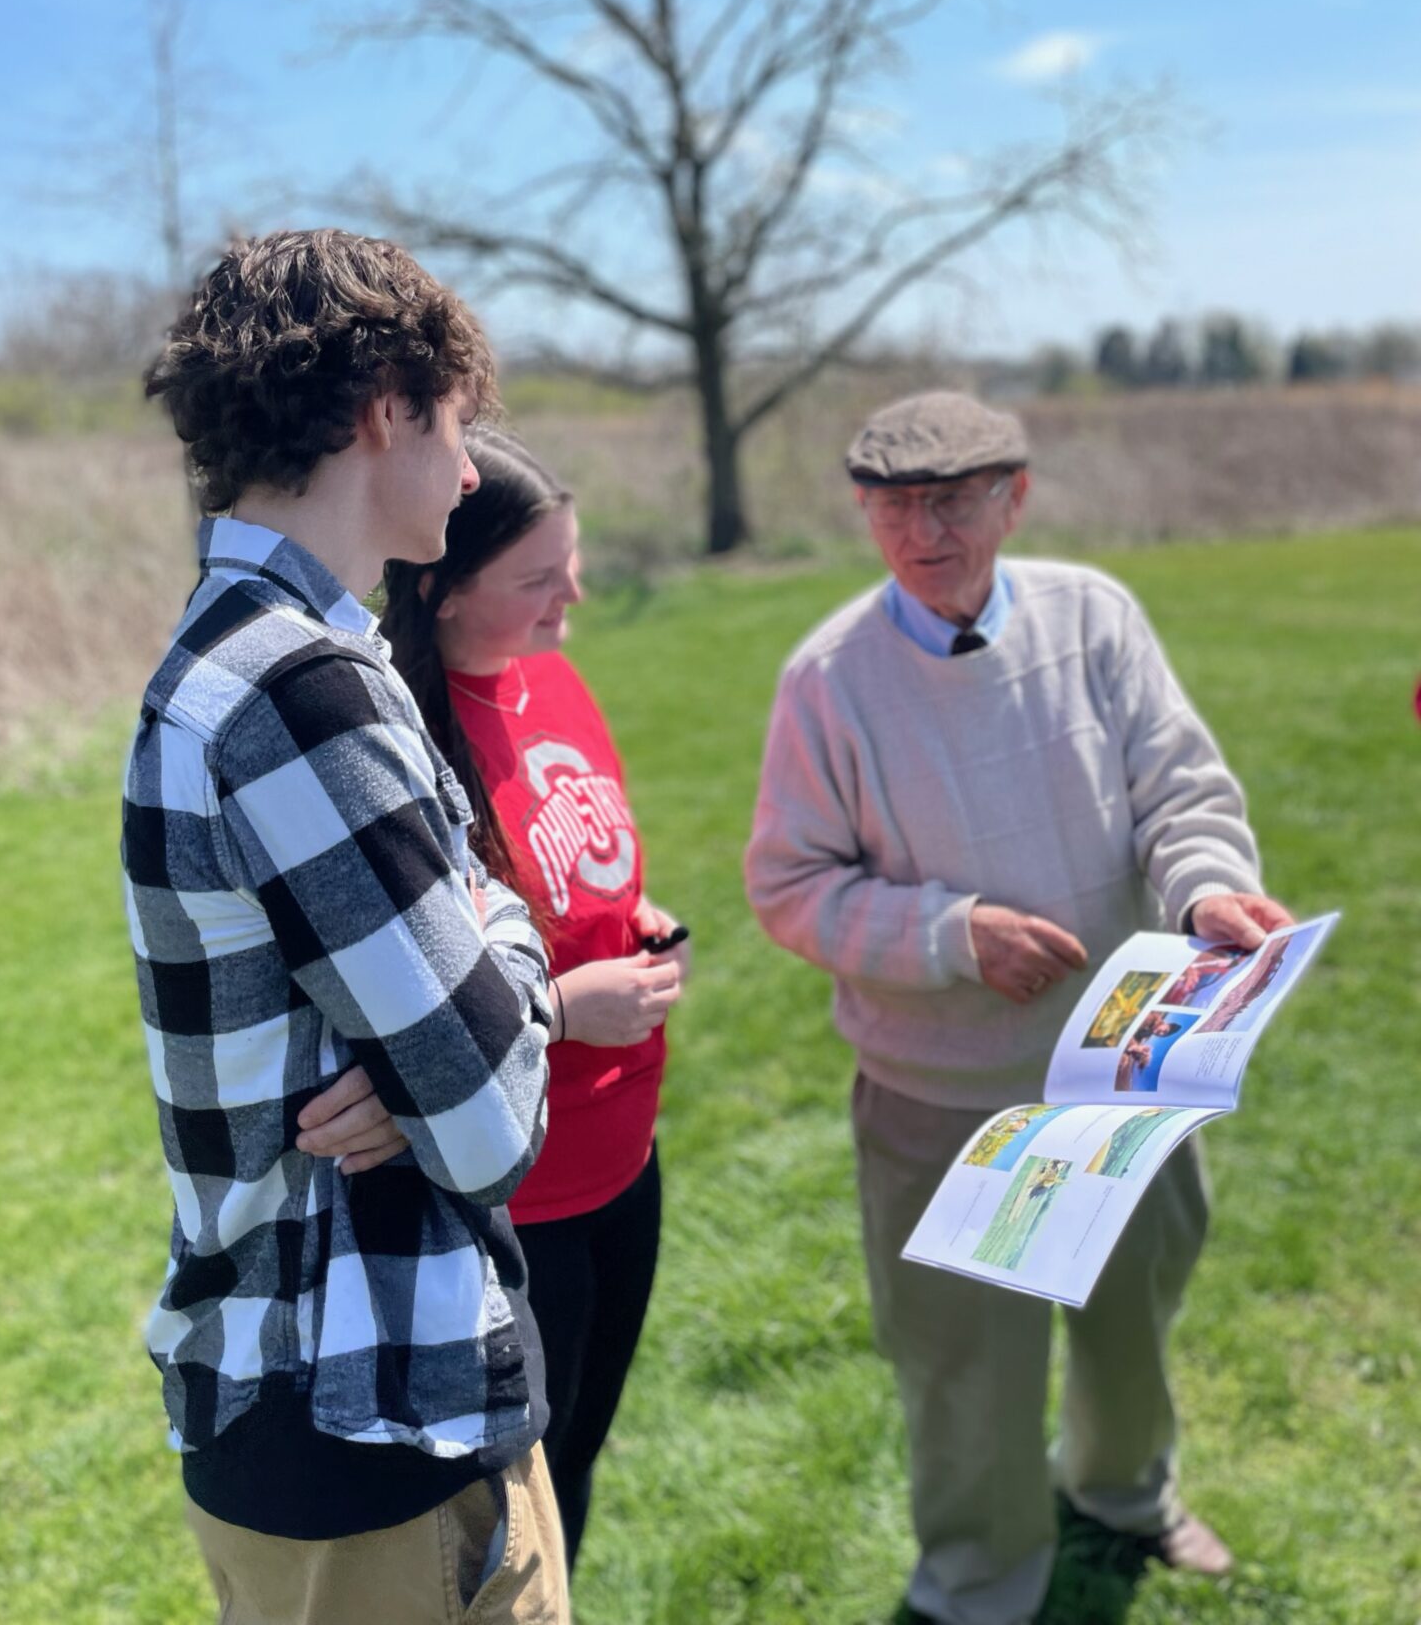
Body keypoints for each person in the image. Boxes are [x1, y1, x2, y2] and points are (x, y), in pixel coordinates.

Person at [745, 391, 1293, 1625]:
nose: (920, 529)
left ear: (1017, 496)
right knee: (964, 1366)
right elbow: (787, 885)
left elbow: (1181, 790)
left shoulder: (1093, 615)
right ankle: (980, 1583)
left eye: (952, 498)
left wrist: (1208, 888)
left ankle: (1120, 1492)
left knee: (1131, 1322)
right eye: (891, 502)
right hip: (937, 1092)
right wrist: (949, 934)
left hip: (1124, 1069)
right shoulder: (828, 678)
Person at [122, 229, 568, 1625]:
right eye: (458, 422)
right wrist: (512, 954)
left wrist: (475, 981)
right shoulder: (295, 688)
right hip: (369, 1418)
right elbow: (492, 1119)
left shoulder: (251, 649)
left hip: (323, 1405)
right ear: (386, 407)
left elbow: (461, 1049)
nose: (476, 467)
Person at [367, 426, 686, 1572]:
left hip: (624, 1157)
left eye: (575, 561)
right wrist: (563, 1000)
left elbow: (579, 867)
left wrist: (631, 923)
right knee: (512, 1504)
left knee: (581, 1460)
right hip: (516, 1193)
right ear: (445, 591)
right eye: (539, 578)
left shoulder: (550, 677)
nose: (575, 595)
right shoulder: (401, 739)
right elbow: (410, 989)